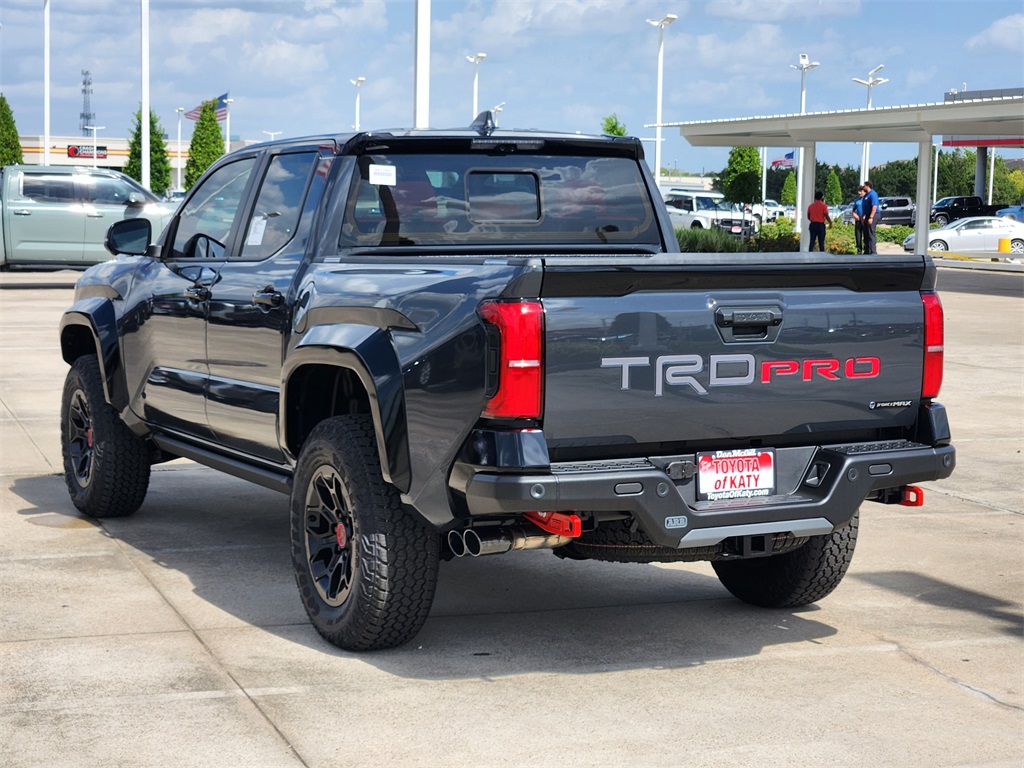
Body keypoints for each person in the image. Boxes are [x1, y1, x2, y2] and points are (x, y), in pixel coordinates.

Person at [862, 180, 880, 254]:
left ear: (868, 186)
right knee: (866, 233)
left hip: (873, 215)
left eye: (864, 186)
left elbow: (874, 206)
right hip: (867, 215)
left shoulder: (873, 194)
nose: (863, 187)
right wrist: (863, 215)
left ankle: (873, 251)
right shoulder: (866, 195)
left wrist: (871, 217)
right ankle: (867, 250)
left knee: (870, 233)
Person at [851, 186, 867, 254]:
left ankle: (866, 249)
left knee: (866, 235)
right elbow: (853, 210)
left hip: (865, 219)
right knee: (858, 235)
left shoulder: (867, 200)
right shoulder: (857, 200)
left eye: (861, 191)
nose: (859, 193)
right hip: (858, 219)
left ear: (864, 192)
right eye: (858, 191)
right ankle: (859, 250)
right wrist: (854, 215)